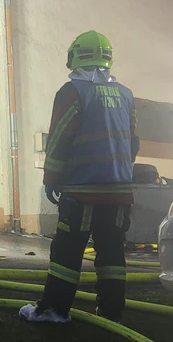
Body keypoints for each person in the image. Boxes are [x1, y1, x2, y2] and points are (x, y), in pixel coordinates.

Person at [19, 31, 139, 324]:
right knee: (112, 255)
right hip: (119, 192)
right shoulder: (125, 94)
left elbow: (60, 139)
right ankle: (112, 312)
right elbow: (133, 142)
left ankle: (53, 311)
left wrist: (51, 177)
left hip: (82, 191)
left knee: (67, 254)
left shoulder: (72, 92)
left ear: (76, 56)